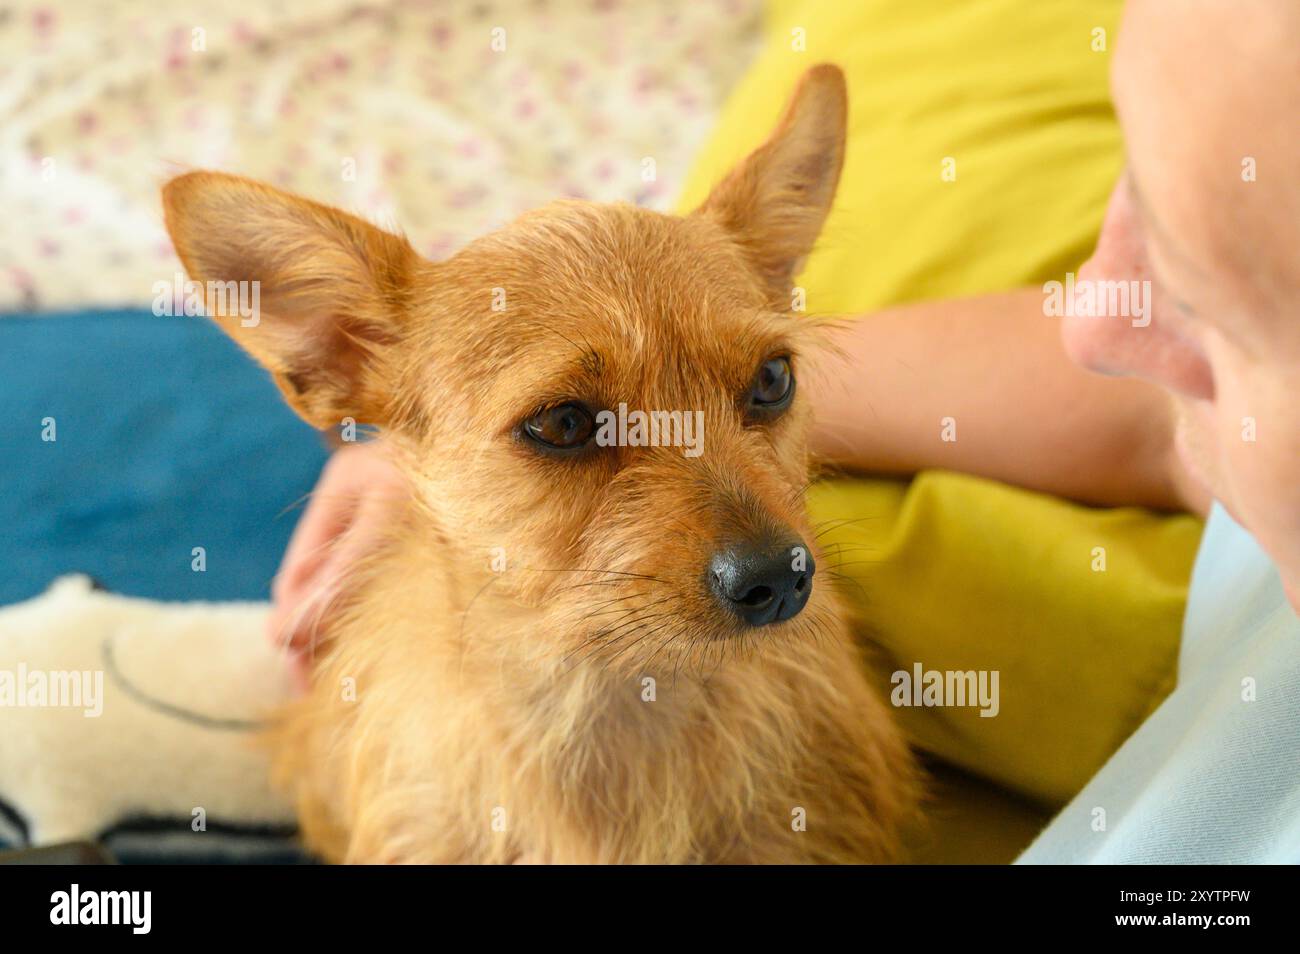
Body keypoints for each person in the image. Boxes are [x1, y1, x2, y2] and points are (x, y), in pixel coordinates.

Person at [269, 0, 1299, 862]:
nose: (760, 550)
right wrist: (438, 440)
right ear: (344, 353)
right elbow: (1150, 412)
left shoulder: (807, 772)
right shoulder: (410, 778)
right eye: (570, 427)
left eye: (762, 390)